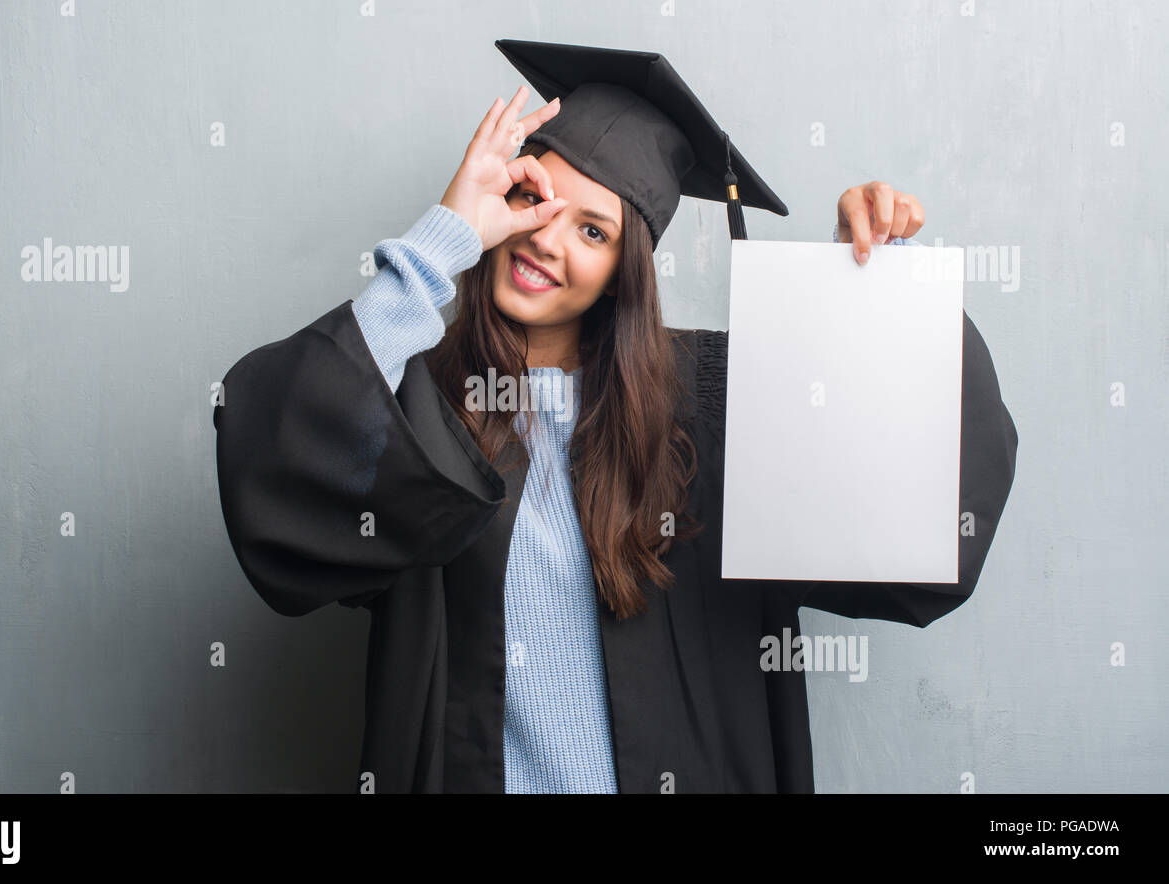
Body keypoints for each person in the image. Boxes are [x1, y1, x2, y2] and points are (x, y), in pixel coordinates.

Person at [212, 40, 1019, 794]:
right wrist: (441, 240)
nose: (546, 242)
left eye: (592, 230)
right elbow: (276, 459)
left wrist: (878, 291)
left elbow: (912, 518)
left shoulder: (709, 398)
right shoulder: (423, 398)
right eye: (535, 199)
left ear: (623, 269)